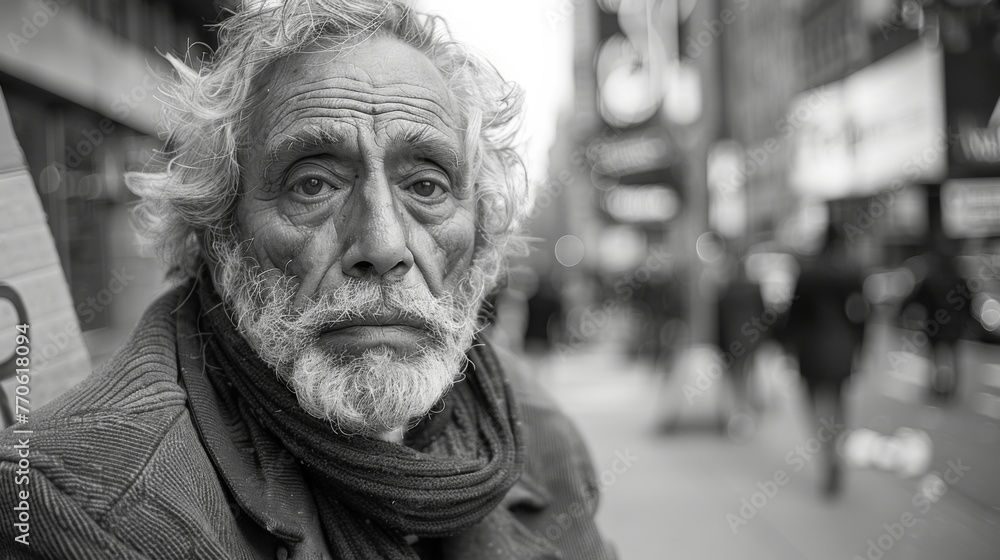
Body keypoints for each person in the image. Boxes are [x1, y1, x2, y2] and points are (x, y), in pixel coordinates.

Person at [0, 2, 614, 558]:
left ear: (479, 237)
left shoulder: (541, 435)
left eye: (426, 186)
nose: (383, 245)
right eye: (313, 185)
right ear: (218, 231)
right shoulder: (81, 499)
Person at [783, 223, 867, 497]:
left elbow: (793, 316)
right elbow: (862, 314)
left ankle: (826, 457)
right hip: (842, 346)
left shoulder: (807, 273)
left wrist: (789, 348)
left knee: (815, 405)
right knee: (840, 402)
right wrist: (859, 345)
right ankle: (837, 454)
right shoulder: (851, 272)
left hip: (811, 348)